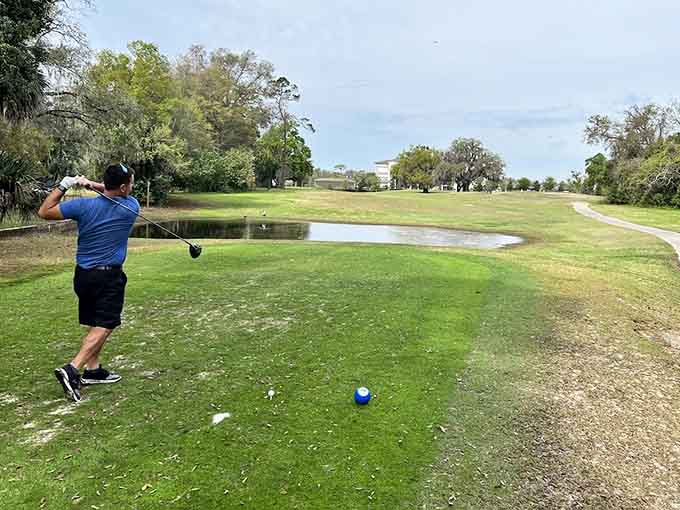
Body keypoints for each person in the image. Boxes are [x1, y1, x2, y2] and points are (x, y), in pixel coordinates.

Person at [37, 164, 140, 402]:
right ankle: (72, 369)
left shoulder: (83, 206)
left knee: (94, 321)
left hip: (83, 276)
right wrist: (92, 184)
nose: (132, 187)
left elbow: (44, 211)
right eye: (131, 183)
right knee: (106, 324)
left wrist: (67, 184)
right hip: (109, 277)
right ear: (124, 187)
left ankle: (93, 370)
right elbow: (111, 191)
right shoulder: (131, 206)